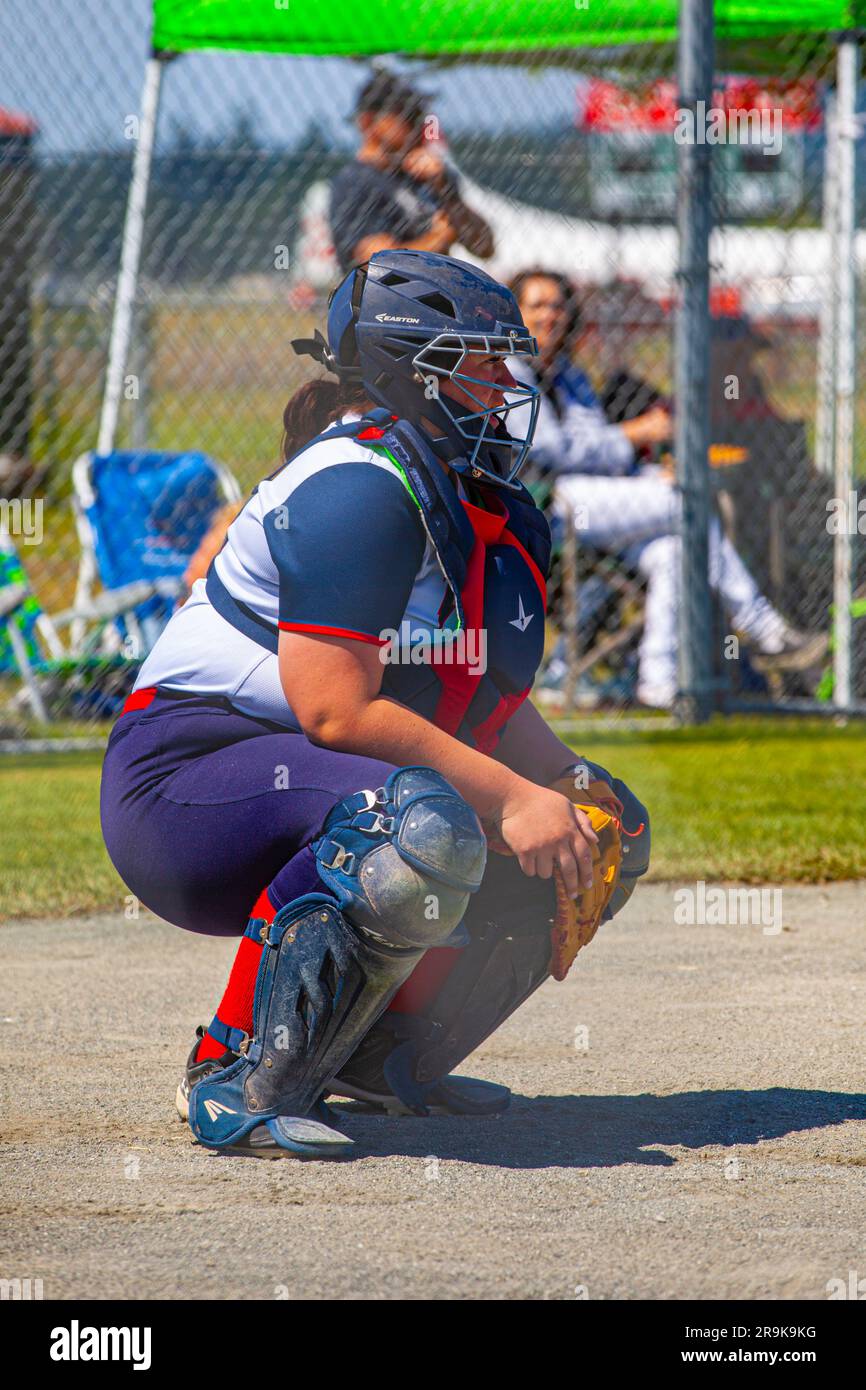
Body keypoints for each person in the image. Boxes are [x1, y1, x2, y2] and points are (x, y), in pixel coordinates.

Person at [99, 250, 650, 1160]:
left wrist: (563, 780)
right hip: (185, 788)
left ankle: (382, 1056)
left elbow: (475, 694)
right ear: (413, 372)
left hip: (313, 778)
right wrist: (513, 798)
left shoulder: (452, 488)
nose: (504, 381)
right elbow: (334, 714)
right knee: (417, 822)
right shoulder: (359, 484)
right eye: (474, 360)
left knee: (603, 823)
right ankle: (238, 1072)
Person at [507, 268, 827, 709]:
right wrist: (634, 433)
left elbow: (599, 450)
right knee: (689, 503)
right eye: (537, 306)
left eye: (558, 306)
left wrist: (639, 464)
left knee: (674, 550)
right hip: (547, 507)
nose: (550, 316)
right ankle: (762, 627)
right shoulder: (506, 371)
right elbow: (552, 451)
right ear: (513, 313)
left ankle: (658, 682)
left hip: (598, 497)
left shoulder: (568, 376)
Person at [329, 69, 494, 272]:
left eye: (420, 116)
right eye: (407, 116)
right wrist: (440, 237)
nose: (417, 126)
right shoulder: (354, 181)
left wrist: (446, 192)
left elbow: (484, 247)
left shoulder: (431, 177)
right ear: (368, 121)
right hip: (387, 302)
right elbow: (377, 263)